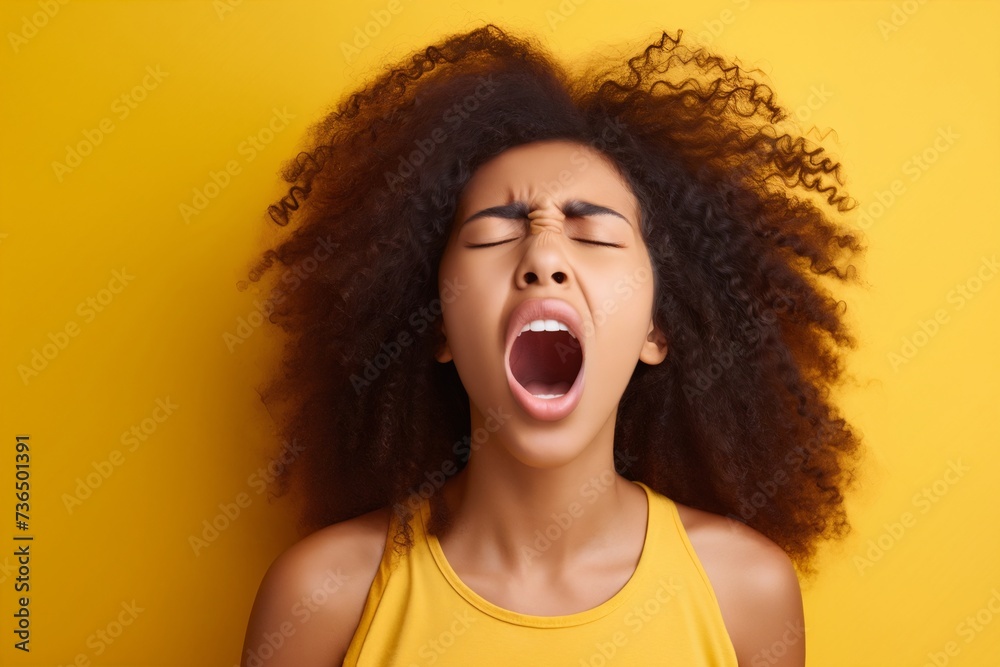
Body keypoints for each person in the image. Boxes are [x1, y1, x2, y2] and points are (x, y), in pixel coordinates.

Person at [238, 23, 865, 667]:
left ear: (657, 328)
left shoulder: (746, 593)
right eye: (493, 235)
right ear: (437, 325)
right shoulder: (323, 598)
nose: (544, 257)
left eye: (594, 235)